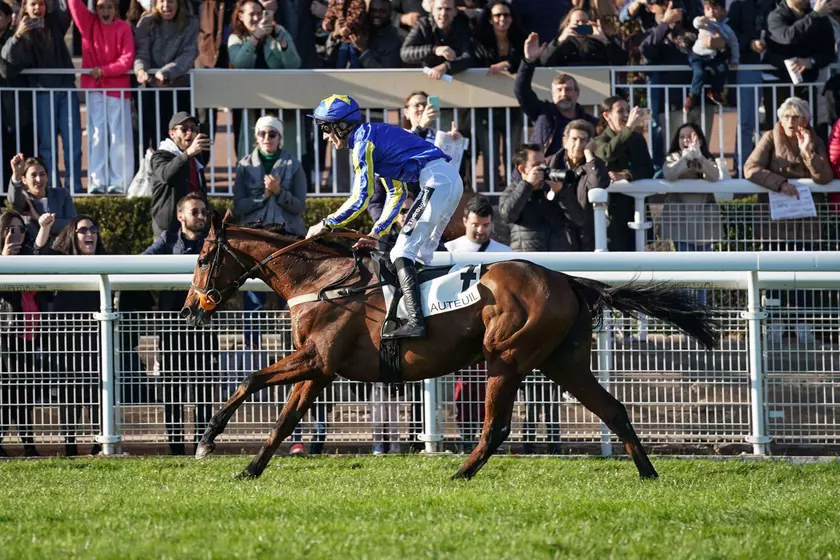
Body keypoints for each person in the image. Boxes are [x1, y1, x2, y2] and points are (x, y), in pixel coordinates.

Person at [305, 94, 463, 340]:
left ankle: (415, 322)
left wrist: (326, 224)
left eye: (326, 128)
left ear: (341, 125)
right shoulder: (372, 137)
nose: (325, 135)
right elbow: (396, 193)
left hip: (437, 181)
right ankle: (434, 316)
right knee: (420, 256)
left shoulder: (363, 143)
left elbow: (361, 197)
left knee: (402, 252)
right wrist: (377, 232)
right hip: (445, 180)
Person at [745, 97, 832, 343]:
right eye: (786, 116)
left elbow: (824, 177)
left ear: (806, 120)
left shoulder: (814, 140)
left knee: (803, 276)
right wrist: (780, 183)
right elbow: (750, 168)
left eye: (796, 117)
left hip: (804, 221)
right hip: (775, 222)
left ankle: (801, 325)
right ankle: (775, 323)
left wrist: (808, 152)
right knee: (773, 276)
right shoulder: (770, 137)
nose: (790, 122)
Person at [143, 193, 217, 455]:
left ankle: (202, 446)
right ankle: (176, 449)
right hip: (173, 330)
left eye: (203, 212)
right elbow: (142, 262)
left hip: (205, 328)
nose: (200, 216)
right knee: (172, 392)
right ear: (180, 216)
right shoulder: (167, 241)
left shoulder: (213, 242)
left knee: (204, 391)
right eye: (194, 212)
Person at [34, 214, 106, 456]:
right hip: (65, 341)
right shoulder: (60, 259)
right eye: (83, 230)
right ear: (72, 236)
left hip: (96, 339)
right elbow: (39, 253)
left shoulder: (104, 260)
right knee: (70, 393)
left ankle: (100, 444)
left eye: (93, 229)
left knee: (98, 392)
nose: (90, 234)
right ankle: (70, 446)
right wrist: (44, 227)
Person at [444, 196, 510, 451]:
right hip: (463, 328)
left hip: (498, 328)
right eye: (475, 225)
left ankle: (492, 437)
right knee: (467, 387)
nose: (481, 230)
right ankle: (467, 438)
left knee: (497, 385)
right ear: (464, 222)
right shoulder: (450, 250)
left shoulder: (505, 253)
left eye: (486, 225)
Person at [0, 0, 84, 193]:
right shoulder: (22, 32)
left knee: (73, 142)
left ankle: (75, 187)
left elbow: (66, 7)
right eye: (33, 4)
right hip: (42, 91)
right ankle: (53, 186)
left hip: (65, 87)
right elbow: (7, 60)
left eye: (41, 4)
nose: (38, 8)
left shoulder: (55, 22)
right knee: (47, 145)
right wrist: (19, 34)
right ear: (25, 8)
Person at [68, 0, 135, 194]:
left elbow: (127, 58)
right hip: (95, 89)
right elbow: (74, 5)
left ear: (116, 8)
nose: (105, 11)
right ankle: (97, 181)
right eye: (101, 7)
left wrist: (104, 71)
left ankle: (119, 181)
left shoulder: (124, 28)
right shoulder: (88, 23)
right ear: (95, 8)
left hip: (117, 89)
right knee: (97, 135)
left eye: (109, 7)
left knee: (118, 135)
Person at [228, 0, 301, 156]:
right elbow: (240, 62)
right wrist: (255, 38)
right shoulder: (235, 38)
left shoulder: (279, 32)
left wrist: (283, 43)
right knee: (252, 152)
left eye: (259, 14)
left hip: (280, 104)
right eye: (251, 14)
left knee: (284, 152)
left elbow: (294, 63)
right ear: (240, 16)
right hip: (252, 105)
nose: (256, 18)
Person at [0, 210, 46, 458]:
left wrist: (43, 227)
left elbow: (39, 250)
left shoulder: (29, 258)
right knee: (10, 392)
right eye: (10, 229)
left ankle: (28, 445)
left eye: (19, 229)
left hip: (28, 337)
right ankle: (27, 445)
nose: (15, 235)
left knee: (24, 392)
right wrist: (5, 258)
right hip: (6, 336)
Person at [660, 122, 722, 305]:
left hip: (704, 223)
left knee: (702, 274)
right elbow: (670, 174)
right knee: (685, 272)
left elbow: (715, 176)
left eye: (690, 136)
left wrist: (700, 158)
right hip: (681, 223)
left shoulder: (706, 158)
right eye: (682, 137)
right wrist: (686, 157)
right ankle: (688, 315)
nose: (686, 140)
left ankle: (701, 312)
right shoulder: (673, 157)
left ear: (700, 139)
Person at [515, 32, 598, 159]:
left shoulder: (590, 122)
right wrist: (528, 61)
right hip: (542, 171)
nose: (564, 94)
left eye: (568, 89)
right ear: (553, 95)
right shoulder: (541, 112)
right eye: (559, 90)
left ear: (577, 93)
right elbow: (521, 90)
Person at [133, 0, 199, 149]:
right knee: (144, 140)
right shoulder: (147, 22)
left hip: (178, 90)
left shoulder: (191, 23)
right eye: (161, 1)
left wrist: (167, 72)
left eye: (170, 1)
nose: (166, 5)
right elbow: (141, 52)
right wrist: (141, 69)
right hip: (150, 90)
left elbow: (189, 54)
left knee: (178, 142)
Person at [594, 97, 655, 251]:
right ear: (606, 116)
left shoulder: (637, 139)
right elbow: (608, 153)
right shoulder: (600, 140)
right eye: (620, 111)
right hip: (613, 213)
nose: (626, 114)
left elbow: (648, 169)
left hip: (637, 208)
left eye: (627, 110)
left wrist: (627, 174)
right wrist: (628, 128)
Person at [546, 119, 610, 252]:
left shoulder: (595, 165)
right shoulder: (549, 164)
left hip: (583, 234)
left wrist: (589, 154)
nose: (578, 144)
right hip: (554, 233)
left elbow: (597, 187)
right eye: (574, 139)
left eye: (583, 140)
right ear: (565, 141)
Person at [149, 112, 210, 237]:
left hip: (194, 225)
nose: (189, 133)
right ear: (172, 134)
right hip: (169, 227)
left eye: (193, 129)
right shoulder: (161, 155)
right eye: (184, 129)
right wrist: (187, 154)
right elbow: (166, 175)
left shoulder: (195, 157)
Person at [0, 1, 35, 190]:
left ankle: (23, 194)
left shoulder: (19, 37)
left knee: (22, 151)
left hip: (19, 106)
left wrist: (17, 36)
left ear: (8, 18)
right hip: (3, 110)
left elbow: (7, 69)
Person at [6, 153, 77, 241]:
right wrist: (16, 175)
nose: (39, 179)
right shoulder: (23, 198)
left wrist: (38, 218)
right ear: (24, 180)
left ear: (47, 177)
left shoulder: (62, 194)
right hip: (33, 251)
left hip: (60, 250)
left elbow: (73, 224)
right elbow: (14, 200)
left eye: (42, 174)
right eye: (33, 175)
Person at [400, 0, 473, 81]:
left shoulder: (462, 28)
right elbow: (405, 53)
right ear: (432, 11)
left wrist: (446, 66)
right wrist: (434, 50)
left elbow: (469, 57)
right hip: (423, 80)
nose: (443, 13)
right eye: (439, 8)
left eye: (448, 9)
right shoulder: (422, 25)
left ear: (455, 12)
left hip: (456, 81)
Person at [685, 0, 738, 110]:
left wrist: (735, 59)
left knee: (722, 70)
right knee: (699, 73)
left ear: (723, 11)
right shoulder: (704, 23)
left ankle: (715, 91)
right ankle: (692, 95)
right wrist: (700, 19)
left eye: (715, 8)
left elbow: (733, 43)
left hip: (713, 57)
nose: (712, 12)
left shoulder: (726, 28)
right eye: (708, 9)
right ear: (704, 11)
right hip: (697, 56)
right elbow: (696, 23)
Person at [539, 7, 626, 67]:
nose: (580, 25)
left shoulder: (599, 42)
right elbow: (544, 61)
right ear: (568, 24)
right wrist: (560, 40)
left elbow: (621, 61)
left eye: (584, 22)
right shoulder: (561, 44)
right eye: (577, 22)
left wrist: (604, 40)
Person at [356, 0, 402, 68]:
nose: (377, 14)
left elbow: (385, 74)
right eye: (373, 10)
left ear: (390, 13)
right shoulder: (360, 31)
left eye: (382, 11)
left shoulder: (395, 39)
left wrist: (363, 50)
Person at [322, 0, 367, 68]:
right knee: (341, 58)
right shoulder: (334, 2)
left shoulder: (358, 2)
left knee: (354, 58)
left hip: (355, 37)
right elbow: (330, 12)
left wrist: (347, 26)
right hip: (342, 39)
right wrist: (327, 22)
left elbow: (358, 16)